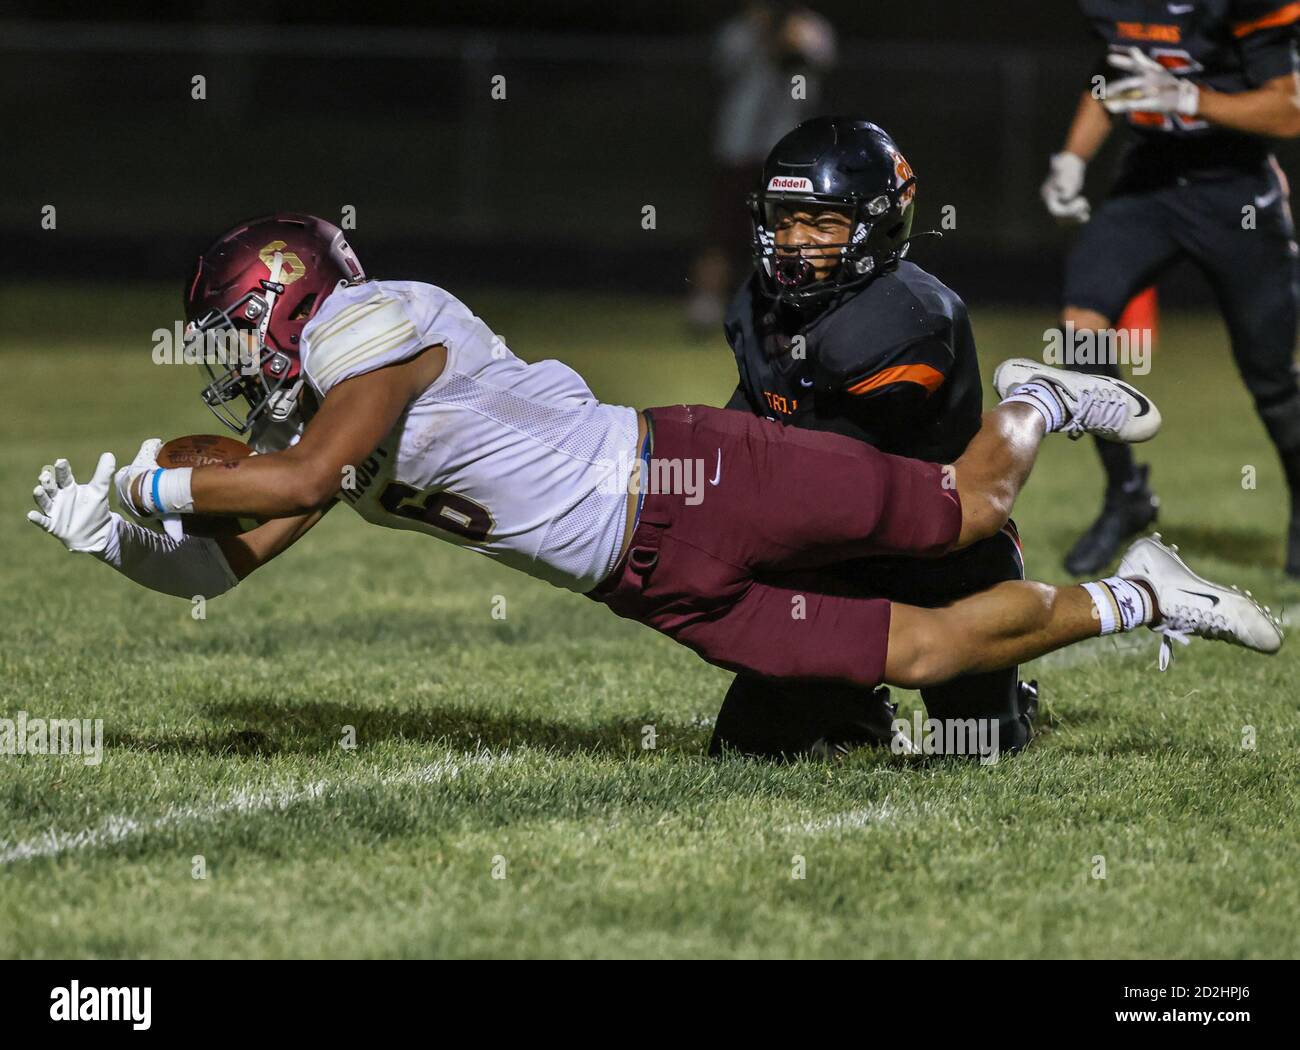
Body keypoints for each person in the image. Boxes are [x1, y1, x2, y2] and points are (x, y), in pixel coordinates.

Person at [27, 215, 1281, 715]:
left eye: (238, 322)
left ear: (287, 295)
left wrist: (151, 483)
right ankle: (1145, 593)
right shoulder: (320, 406)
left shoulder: (377, 324)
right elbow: (229, 564)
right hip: (651, 586)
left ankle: (1030, 397)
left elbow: (295, 487)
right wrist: (124, 544)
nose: (234, 354)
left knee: (967, 509)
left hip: (691, 474)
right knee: (920, 654)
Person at [711, 116, 1040, 760]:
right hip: (835, 554)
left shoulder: (907, 318)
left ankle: (1005, 702)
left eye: (822, 224)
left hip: (940, 558)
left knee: (971, 749)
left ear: (878, 224)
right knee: (745, 757)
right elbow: (742, 425)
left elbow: (824, 472)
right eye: (784, 220)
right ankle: (854, 704)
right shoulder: (762, 304)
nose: (795, 242)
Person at [1041, 0, 1300, 576]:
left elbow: (1289, 110)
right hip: (1150, 181)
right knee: (1082, 330)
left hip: (1235, 191)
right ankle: (1126, 491)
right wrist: (1073, 159)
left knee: (1272, 379)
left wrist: (1191, 99)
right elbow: (1109, 77)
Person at [687, 1, 837, 333]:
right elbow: (726, 65)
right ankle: (705, 307)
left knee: (789, 232)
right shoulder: (738, 31)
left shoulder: (811, 28)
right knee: (723, 229)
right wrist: (761, 33)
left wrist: (785, 39)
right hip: (738, 146)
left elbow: (808, 65)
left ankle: (790, 308)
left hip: (786, 149)